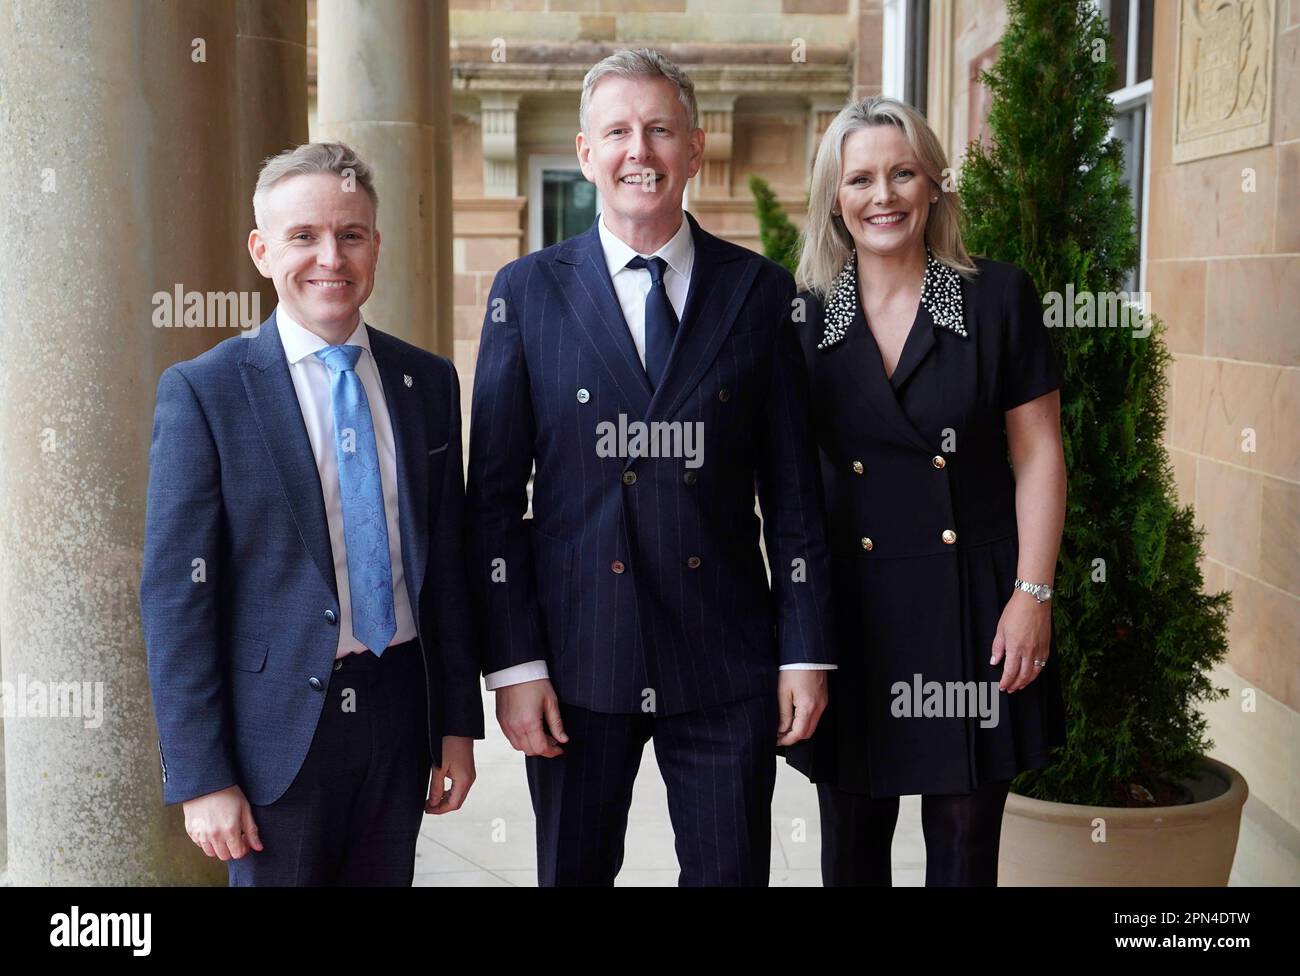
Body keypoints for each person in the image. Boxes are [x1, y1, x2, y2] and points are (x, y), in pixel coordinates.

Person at [466, 49, 835, 886]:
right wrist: (515, 666)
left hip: (724, 657)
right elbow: (492, 502)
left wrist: (805, 650)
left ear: (694, 149)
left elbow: (794, 496)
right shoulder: (526, 293)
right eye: (619, 132)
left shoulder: (760, 292)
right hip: (578, 660)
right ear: (586, 152)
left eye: (661, 130)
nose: (641, 150)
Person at [140, 142, 483, 886]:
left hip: (399, 714)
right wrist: (202, 776)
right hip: (276, 737)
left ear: (376, 246)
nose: (331, 257)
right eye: (304, 236)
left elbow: (447, 569)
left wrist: (456, 723)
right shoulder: (206, 391)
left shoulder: (427, 382)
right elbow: (176, 599)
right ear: (262, 251)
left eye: (350, 234)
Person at [783, 97, 1067, 886]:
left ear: (935, 183)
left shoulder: (998, 297)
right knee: (851, 849)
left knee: (966, 846)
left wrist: (1032, 593)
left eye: (903, 173)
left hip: (975, 605)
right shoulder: (802, 314)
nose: (884, 196)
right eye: (861, 179)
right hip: (852, 612)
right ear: (834, 200)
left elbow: (1039, 452)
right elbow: (784, 478)